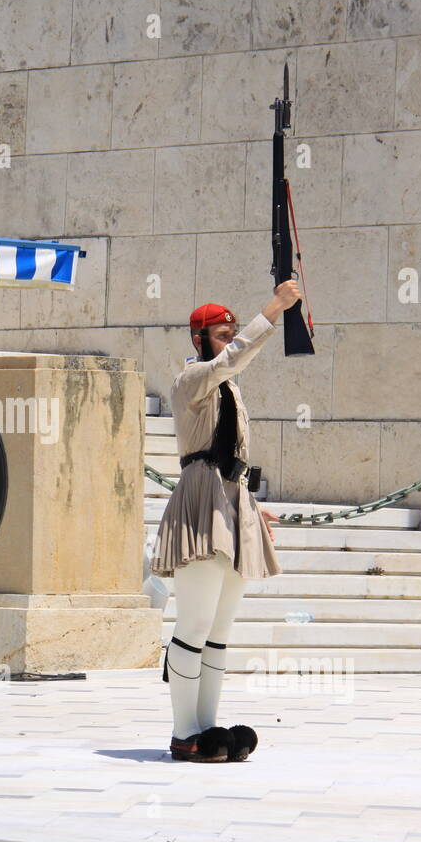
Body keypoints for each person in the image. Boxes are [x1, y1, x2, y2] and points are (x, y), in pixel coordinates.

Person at [151, 279, 303, 762]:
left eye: (230, 332)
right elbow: (233, 358)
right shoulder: (192, 380)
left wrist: (252, 510)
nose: (229, 339)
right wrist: (274, 309)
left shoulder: (228, 390)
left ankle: (208, 729)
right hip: (201, 504)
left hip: (233, 505)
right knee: (193, 624)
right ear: (200, 340)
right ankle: (183, 733)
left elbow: (232, 459)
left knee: (219, 630)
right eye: (221, 333)